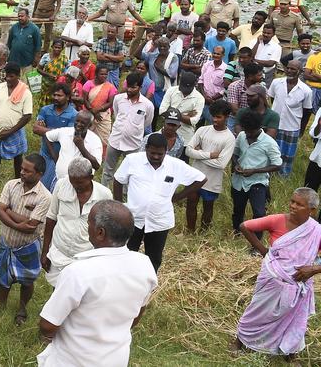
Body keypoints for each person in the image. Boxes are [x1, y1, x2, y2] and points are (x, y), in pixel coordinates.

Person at [37, 200, 158, 366]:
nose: (87, 226)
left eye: (89, 222)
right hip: (116, 359)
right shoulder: (144, 265)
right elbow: (136, 317)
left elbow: (48, 325)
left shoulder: (78, 272)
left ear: (100, 233)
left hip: (73, 360)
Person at [233, 187, 321, 359]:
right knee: (257, 312)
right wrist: (264, 251)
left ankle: (290, 354)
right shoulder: (277, 220)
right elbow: (245, 226)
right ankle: (240, 341)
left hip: (298, 284)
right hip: (272, 278)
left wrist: (314, 269)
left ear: (312, 210)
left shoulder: (316, 231)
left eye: (299, 204)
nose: (293, 206)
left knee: (295, 319)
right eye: (292, 202)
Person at [112, 132, 204, 271]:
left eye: (160, 154)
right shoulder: (132, 160)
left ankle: (148, 285)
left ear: (166, 151)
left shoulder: (175, 165)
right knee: (127, 255)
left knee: (154, 258)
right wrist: (119, 207)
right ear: (146, 149)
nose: (155, 157)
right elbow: (118, 180)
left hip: (159, 220)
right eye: (152, 153)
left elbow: (201, 179)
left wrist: (177, 197)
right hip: (133, 219)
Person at [0, 154, 51, 324]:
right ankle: (1, 305)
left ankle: (22, 309)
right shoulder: (11, 185)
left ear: (39, 174)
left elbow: (32, 225)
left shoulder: (45, 196)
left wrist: (9, 211)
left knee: (27, 280)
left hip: (28, 245)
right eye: (21, 169)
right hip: (7, 242)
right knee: (2, 279)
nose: (22, 172)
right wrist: (19, 225)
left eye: (27, 171)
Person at [40, 158, 113, 287]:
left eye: (80, 183)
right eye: (72, 182)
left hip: (87, 256)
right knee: (58, 292)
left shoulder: (104, 195)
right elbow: (51, 218)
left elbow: (107, 230)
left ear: (91, 177)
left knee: (81, 294)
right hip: (59, 253)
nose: (76, 186)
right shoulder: (61, 185)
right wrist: (45, 251)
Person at [184, 101, 235, 232]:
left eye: (219, 117)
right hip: (195, 176)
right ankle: (190, 232)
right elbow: (188, 151)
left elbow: (221, 164)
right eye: (213, 116)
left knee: (208, 207)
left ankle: (203, 233)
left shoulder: (229, 138)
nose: (214, 119)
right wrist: (210, 155)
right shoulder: (202, 130)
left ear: (227, 117)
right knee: (191, 204)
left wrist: (199, 154)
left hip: (212, 180)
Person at [231, 108, 284, 235]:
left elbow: (278, 165)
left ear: (259, 127)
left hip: (258, 182)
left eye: (250, 131)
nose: (247, 134)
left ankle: (256, 242)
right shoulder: (242, 136)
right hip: (239, 181)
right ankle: (237, 232)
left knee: (259, 213)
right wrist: (236, 164)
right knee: (238, 210)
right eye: (246, 130)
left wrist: (255, 170)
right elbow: (235, 153)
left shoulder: (269, 143)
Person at [101, 71, 154, 187]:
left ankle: (126, 194)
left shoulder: (148, 105)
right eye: (128, 86)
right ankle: (104, 192)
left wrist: (133, 129)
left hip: (133, 144)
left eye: (133, 87)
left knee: (131, 172)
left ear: (140, 87)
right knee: (107, 170)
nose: (129, 90)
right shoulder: (118, 99)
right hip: (115, 140)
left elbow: (147, 122)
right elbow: (116, 114)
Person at [0, 63, 33, 185]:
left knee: (18, 156)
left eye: (11, 76)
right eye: (6, 76)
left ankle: (18, 180)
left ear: (18, 76)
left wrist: (9, 132)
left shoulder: (26, 93)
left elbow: (27, 116)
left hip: (15, 131)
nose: (8, 79)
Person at [268, 59, 312, 176]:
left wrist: (302, 130)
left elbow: (307, 112)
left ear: (300, 71)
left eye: (293, 69)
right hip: (274, 125)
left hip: (292, 126)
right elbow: (272, 99)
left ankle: (283, 177)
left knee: (288, 155)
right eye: (288, 68)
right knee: (272, 151)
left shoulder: (306, 90)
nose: (289, 71)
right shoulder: (276, 82)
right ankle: (270, 174)